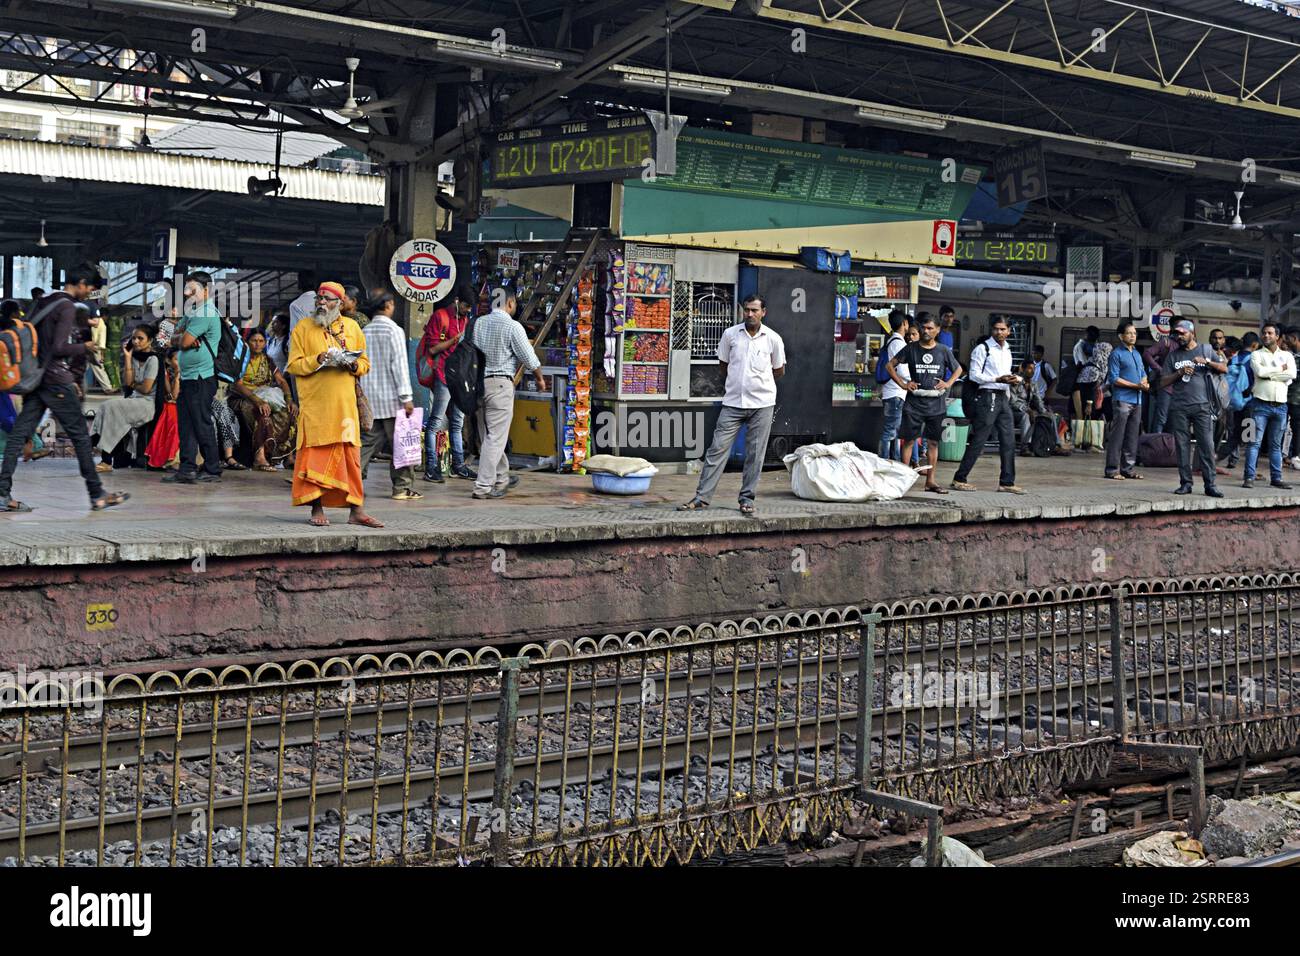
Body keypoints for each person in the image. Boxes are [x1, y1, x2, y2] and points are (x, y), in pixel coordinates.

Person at [0, 264, 129, 513]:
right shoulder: (67, 306)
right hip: (56, 379)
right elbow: (59, 347)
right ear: (80, 283)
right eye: (90, 287)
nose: (90, 292)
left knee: (18, 435)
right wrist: (86, 347)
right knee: (80, 436)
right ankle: (97, 494)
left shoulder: (44, 300)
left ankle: (2, 493)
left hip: (35, 378)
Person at [680, 294, 786, 515]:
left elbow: (779, 370)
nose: (750, 314)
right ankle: (702, 498)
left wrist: (757, 383)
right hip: (733, 402)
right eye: (747, 310)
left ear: (763, 313)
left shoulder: (773, 339)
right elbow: (723, 365)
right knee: (717, 449)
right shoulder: (730, 335)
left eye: (754, 310)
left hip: (762, 404)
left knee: (755, 454)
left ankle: (747, 499)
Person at [287, 282, 381, 527]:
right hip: (315, 406)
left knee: (351, 459)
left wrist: (352, 365)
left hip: (345, 406)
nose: (321, 302)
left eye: (327, 299)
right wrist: (317, 359)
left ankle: (357, 511)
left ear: (339, 303)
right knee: (314, 458)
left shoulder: (351, 327)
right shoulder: (302, 328)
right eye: (319, 298)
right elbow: (294, 365)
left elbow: (365, 363)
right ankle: (316, 510)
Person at [471, 287, 545, 499]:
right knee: (495, 438)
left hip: (478, 385)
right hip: (500, 385)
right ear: (510, 303)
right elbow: (529, 358)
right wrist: (539, 379)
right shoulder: (513, 327)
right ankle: (483, 486)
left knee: (490, 436)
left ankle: (502, 477)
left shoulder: (478, 323)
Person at [886, 312, 961, 494]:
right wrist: (904, 384)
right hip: (914, 403)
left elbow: (958, 369)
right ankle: (904, 482)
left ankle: (931, 481)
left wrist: (948, 383)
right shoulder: (910, 348)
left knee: (933, 443)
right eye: (923, 328)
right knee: (909, 442)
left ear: (938, 330)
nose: (926, 331)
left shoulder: (943, 350)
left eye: (930, 328)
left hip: (936, 404)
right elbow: (890, 366)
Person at [951, 317, 1025, 493]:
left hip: (1002, 397)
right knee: (979, 440)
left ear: (1009, 331)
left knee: (1008, 441)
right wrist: (996, 379)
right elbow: (974, 375)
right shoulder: (982, 349)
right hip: (987, 396)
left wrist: (1015, 379)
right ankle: (959, 478)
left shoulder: (1007, 350)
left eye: (1002, 329)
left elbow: (1005, 374)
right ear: (992, 330)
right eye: (996, 329)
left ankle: (1007, 482)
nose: (999, 332)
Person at [359, 290, 421, 501]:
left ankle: (353, 482)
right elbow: (400, 366)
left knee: (366, 443)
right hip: (392, 400)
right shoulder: (394, 330)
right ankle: (401, 488)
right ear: (387, 305)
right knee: (401, 444)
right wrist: (407, 398)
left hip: (369, 400)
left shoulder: (364, 331)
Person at [163, 271, 224, 484]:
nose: (188, 294)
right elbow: (169, 338)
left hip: (201, 377)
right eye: (187, 290)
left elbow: (184, 341)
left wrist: (182, 338)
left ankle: (212, 469)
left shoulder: (205, 312)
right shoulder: (193, 312)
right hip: (189, 376)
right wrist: (181, 338)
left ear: (206, 290)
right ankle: (187, 468)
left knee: (201, 422)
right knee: (187, 424)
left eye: (193, 289)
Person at [1161, 318, 1227, 498]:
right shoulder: (1173, 356)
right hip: (1179, 407)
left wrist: (1207, 362)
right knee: (1182, 447)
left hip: (1202, 406)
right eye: (1176, 334)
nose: (1179, 337)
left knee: (1206, 445)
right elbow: (1162, 382)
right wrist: (1179, 373)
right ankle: (1185, 483)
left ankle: (1210, 485)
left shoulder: (1206, 350)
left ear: (1192, 333)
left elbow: (1224, 369)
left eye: (1182, 333)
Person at [417, 287, 475, 483]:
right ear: (457, 301)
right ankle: (431, 467)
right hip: (443, 376)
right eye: (466, 306)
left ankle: (458, 465)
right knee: (435, 422)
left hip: (459, 378)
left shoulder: (464, 320)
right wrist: (454, 341)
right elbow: (432, 349)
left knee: (457, 424)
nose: (468, 310)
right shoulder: (440, 316)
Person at [91, 324, 159, 473]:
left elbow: (146, 388)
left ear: (150, 340)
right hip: (135, 399)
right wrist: (128, 358)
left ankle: (104, 457)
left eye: (140, 338)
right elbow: (128, 382)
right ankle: (98, 446)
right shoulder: (134, 357)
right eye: (134, 338)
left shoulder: (153, 359)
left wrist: (134, 384)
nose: (136, 341)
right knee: (105, 406)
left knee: (112, 407)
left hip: (147, 403)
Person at [228, 329, 297, 471]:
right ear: (247, 343)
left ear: (265, 343)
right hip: (243, 397)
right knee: (262, 414)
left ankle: (287, 456)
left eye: (261, 341)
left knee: (290, 412)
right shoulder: (240, 360)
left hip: (266, 396)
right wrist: (258, 401)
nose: (257, 344)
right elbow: (237, 385)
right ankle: (260, 456)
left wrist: (289, 400)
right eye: (254, 341)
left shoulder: (268, 360)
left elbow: (282, 381)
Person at [1242, 322, 1296, 490]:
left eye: (1270, 333)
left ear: (1277, 336)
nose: (1266, 336)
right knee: (1253, 443)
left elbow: (1292, 374)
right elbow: (1259, 373)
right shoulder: (1256, 355)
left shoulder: (1287, 356)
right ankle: (1249, 477)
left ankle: (1276, 478)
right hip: (1259, 405)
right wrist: (1280, 371)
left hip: (1281, 407)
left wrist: (1270, 373)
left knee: (1276, 446)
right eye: (1264, 333)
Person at [1104, 320, 1148, 481]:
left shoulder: (1136, 353)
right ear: (1121, 336)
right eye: (1129, 333)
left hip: (1137, 400)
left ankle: (1128, 469)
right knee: (1118, 436)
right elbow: (1114, 378)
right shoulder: (1116, 354)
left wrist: (1145, 382)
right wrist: (1136, 386)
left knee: (1132, 436)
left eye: (1135, 333)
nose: (1133, 336)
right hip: (1122, 399)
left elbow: (1143, 372)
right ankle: (1112, 470)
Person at [1219, 332, 1258, 468]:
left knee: (1235, 434)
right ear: (1255, 345)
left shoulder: (1234, 359)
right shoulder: (1254, 359)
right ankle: (1250, 469)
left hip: (1235, 402)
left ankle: (1216, 456)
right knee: (1250, 438)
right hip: (1249, 403)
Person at [877, 311, 909, 461]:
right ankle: (883, 460)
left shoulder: (892, 341)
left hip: (892, 392)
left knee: (894, 431)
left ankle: (894, 460)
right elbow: (902, 369)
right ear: (904, 324)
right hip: (895, 392)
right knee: (890, 430)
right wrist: (912, 379)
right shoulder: (898, 343)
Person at [145, 351, 181, 470]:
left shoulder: (189, 371)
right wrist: (177, 379)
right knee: (174, 423)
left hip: (183, 405)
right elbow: (172, 396)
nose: (180, 361)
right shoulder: (165, 374)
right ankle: (171, 458)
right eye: (176, 359)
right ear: (168, 361)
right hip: (170, 405)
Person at [1008, 358, 1047, 453]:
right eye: (1030, 368)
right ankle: (1025, 446)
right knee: (1026, 417)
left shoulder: (1033, 384)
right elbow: (1013, 402)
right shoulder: (1015, 382)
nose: (1032, 371)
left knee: (1050, 417)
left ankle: (1055, 444)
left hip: (1028, 411)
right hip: (1014, 412)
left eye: (1033, 369)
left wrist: (1044, 412)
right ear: (1023, 369)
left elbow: (1038, 400)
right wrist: (1028, 410)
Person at [1144, 332, 1176, 433]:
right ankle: (1156, 445)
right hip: (1166, 387)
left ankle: (1171, 446)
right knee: (1161, 419)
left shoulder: (1187, 346)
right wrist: (1160, 370)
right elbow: (1147, 354)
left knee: (1174, 420)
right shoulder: (1166, 343)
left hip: (1180, 389)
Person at [1285, 327, 1300, 470]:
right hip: (1285, 398)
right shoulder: (1290, 355)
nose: (1285, 340)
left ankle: (1295, 456)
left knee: (1296, 429)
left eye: (1288, 338)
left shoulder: (1293, 357)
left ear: (1294, 339)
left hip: (1295, 400)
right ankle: (1290, 456)